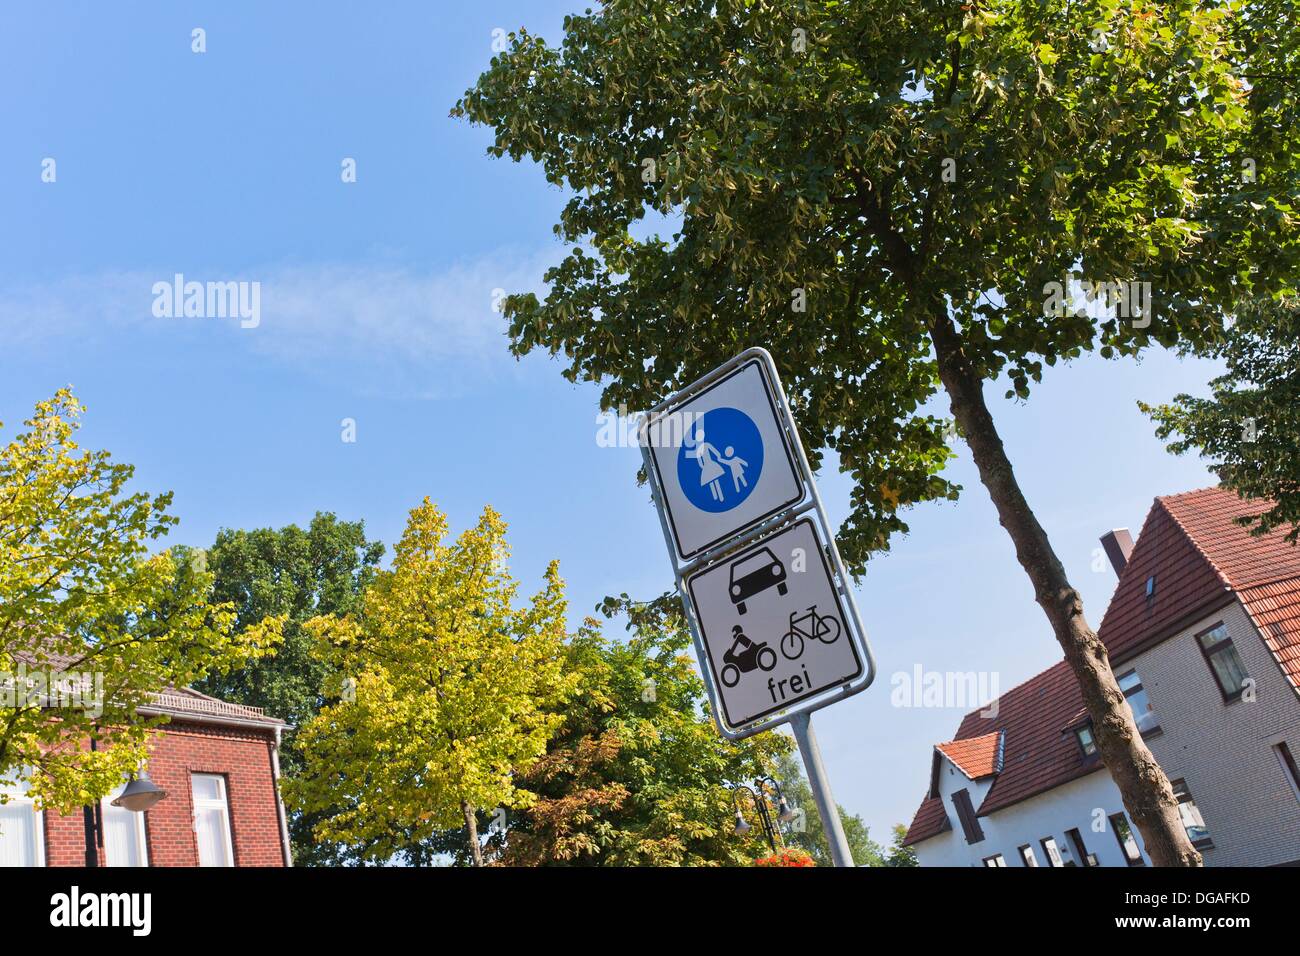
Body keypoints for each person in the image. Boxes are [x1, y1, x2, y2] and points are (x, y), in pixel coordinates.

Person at [685, 423, 726, 501]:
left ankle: (720, 497)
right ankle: (716, 497)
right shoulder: (699, 449)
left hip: (709, 464)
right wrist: (703, 466)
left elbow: (714, 451)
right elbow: (699, 461)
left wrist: (718, 455)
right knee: (711, 481)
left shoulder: (706, 445)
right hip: (707, 466)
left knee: (715, 479)